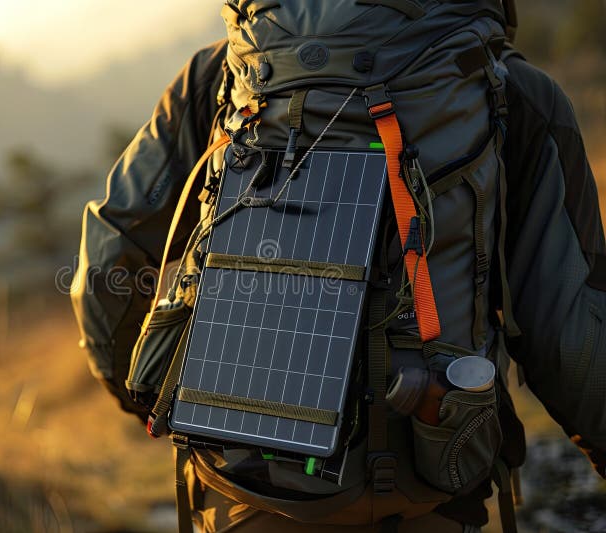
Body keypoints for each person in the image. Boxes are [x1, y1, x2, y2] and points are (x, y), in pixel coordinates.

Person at [71, 5, 606, 532]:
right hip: (425, 479)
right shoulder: (506, 89)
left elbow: (107, 265)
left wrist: (154, 398)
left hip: (241, 485)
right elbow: (568, 329)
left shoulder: (222, 77)